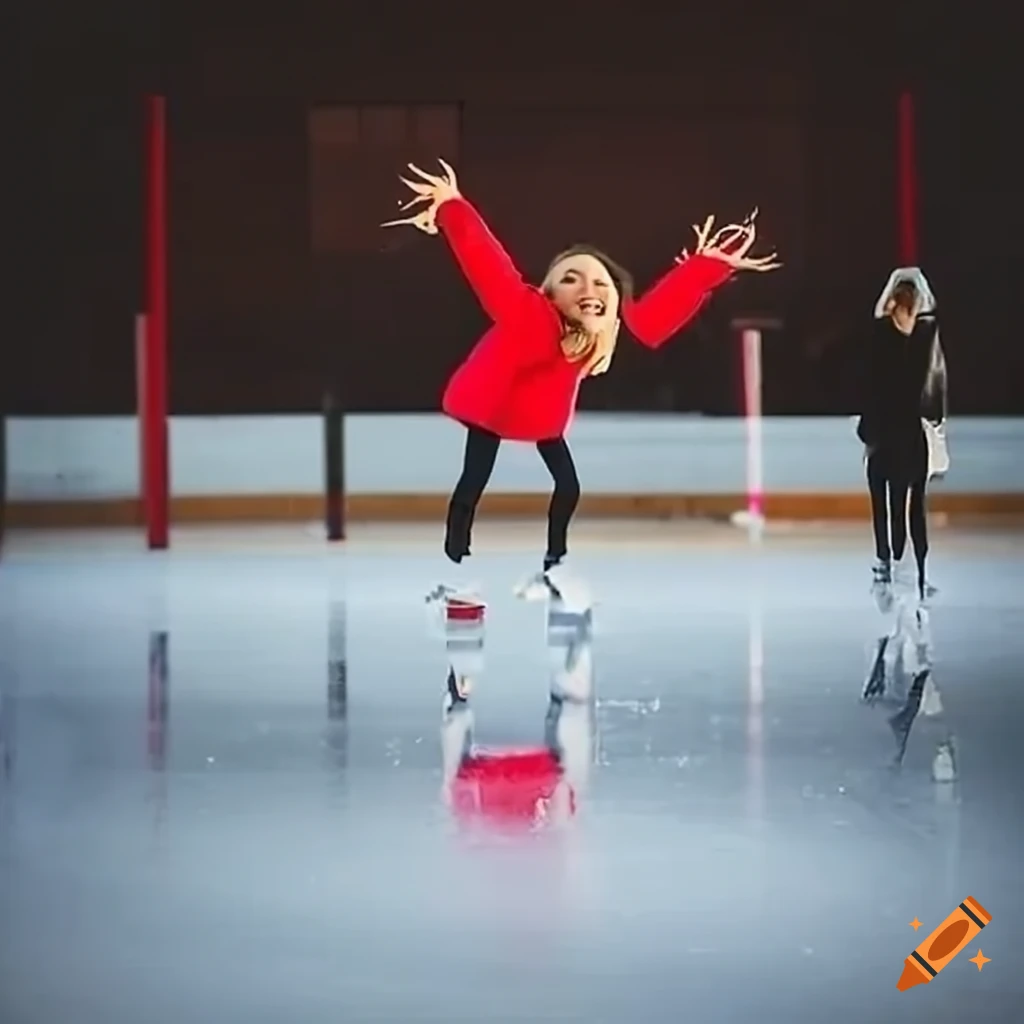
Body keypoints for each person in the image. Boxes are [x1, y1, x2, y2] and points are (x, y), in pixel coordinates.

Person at [382, 160, 780, 601]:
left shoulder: (597, 333)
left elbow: (652, 319)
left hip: (541, 415)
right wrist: (454, 208)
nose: (587, 289)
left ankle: (555, 566)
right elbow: (489, 267)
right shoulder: (529, 315)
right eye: (570, 279)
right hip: (491, 408)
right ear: (549, 293)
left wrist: (707, 266)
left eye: (598, 282)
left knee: (567, 485)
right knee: (473, 480)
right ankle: (455, 565)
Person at [440, 571, 595, 830]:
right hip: (528, 768)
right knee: (569, 697)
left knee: (461, 698)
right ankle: (565, 615)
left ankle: (466, 619)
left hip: (499, 769)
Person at [856, 267, 947, 603]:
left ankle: (896, 565)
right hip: (895, 430)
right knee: (899, 502)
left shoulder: (917, 333)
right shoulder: (911, 333)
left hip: (896, 431)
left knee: (896, 502)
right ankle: (899, 566)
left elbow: (929, 381)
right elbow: (931, 382)